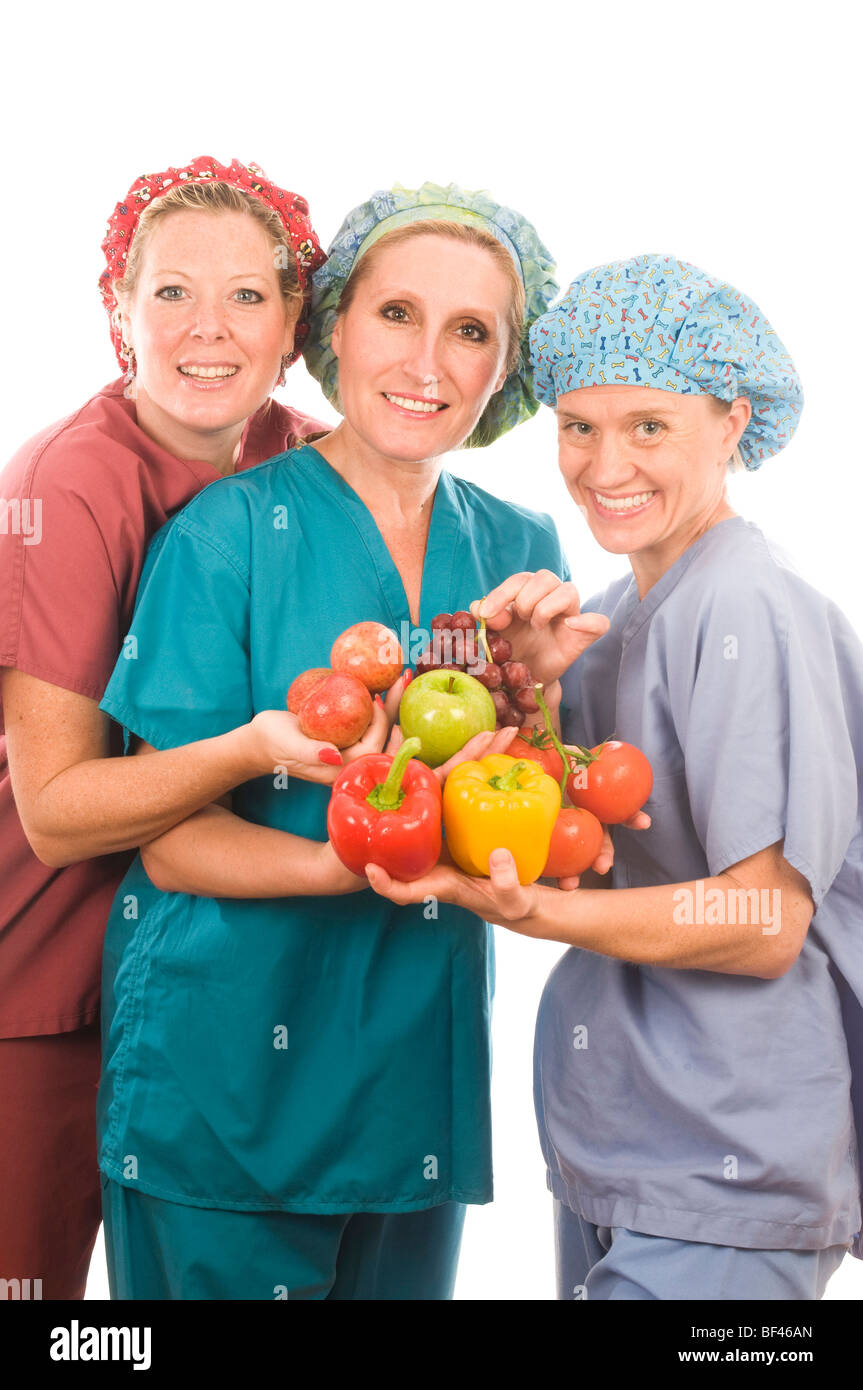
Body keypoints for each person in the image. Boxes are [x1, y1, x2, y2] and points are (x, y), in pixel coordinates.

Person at [95, 183, 599, 1300]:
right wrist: (346, 867)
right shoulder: (225, 533)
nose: (427, 360)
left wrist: (544, 706)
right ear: (332, 328)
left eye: (470, 331)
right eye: (395, 314)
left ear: (503, 368)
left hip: (407, 1088)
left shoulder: (518, 549)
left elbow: (530, 812)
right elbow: (172, 844)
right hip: (222, 1085)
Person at [367, 253, 863, 1301]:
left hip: (727, 1169)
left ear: (730, 424)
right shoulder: (615, 612)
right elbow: (599, 851)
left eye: (648, 426)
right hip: (623, 1149)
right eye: (578, 426)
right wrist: (528, 696)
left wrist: (531, 912)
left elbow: (763, 919)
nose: (603, 464)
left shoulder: (745, 607)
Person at [0, 156, 334, 1300]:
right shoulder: (65, 485)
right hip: (41, 978)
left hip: (205, 971)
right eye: (172, 294)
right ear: (118, 314)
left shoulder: (306, 462)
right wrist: (252, 745)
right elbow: (54, 815)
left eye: (247, 295)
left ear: (294, 323)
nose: (210, 329)